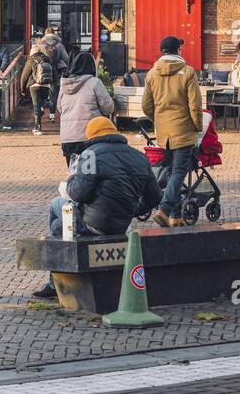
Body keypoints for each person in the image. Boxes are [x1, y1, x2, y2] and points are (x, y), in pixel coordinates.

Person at [32, 118, 162, 300]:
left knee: (56, 205)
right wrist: (133, 210)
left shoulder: (90, 155)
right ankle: (57, 277)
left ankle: (56, 282)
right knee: (58, 228)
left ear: (91, 135)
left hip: (91, 223)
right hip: (120, 225)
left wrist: (71, 181)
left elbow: (78, 194)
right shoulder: (139, 156)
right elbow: (155, 196)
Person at [141, 35, 203, 227]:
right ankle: (165, 208)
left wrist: (159, 120)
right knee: (179, 172)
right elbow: (195, 104)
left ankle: (175, 216)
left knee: (169, 170)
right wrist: (197, 126)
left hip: (164, 133)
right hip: (184, 130)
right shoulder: (188, 72)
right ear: (178, 50)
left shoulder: (152, 73)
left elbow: (146, 105)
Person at [56, 51, 114, 162]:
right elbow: (108, 107)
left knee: (74, 174)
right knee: (90, 176)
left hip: (68, 138)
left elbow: (60, 108)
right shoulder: (95, 83)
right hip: (89, 137)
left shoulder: (64, 84)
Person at [20, 39, 54, 135]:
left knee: (36, 106)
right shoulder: (47, 59)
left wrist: (22, 89)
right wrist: (52, 84)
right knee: (41, 103)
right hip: (46, 84)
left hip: (34, 85)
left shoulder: (31, 60)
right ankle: (43, 107)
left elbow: (24, 76)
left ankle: (38, 128)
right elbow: (53, 73)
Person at [41, 27, 69, 115]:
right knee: (54, 91)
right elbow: (66, 58)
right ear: (54, 34)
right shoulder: (59, 44)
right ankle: (52, 113)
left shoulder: (41, 43)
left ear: (45, 34)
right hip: (57, 70)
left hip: (43, 70)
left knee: (43, 89)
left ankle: (41, 107)